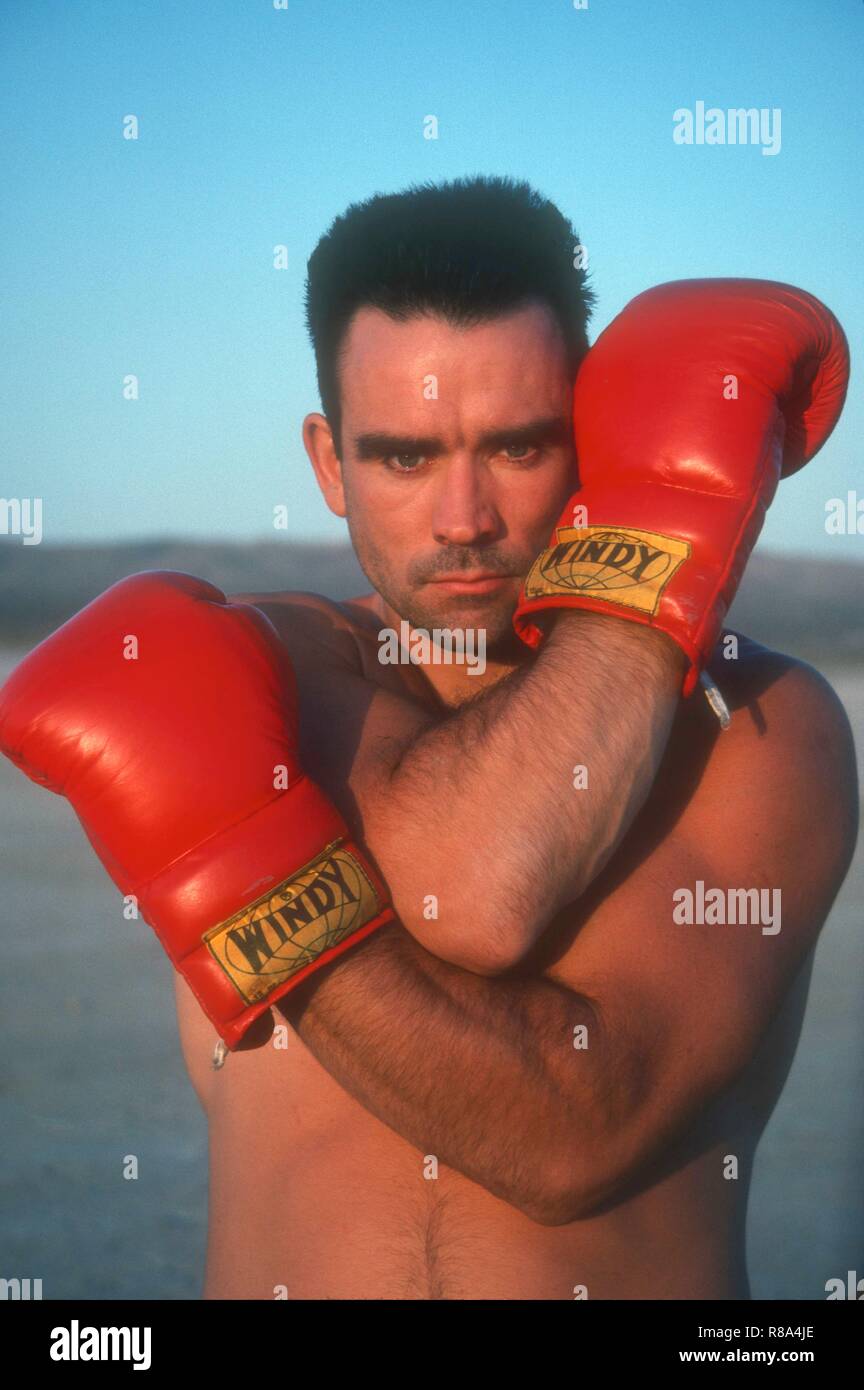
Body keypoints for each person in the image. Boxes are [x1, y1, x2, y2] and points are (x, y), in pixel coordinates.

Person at [1, 177, 857, 1300]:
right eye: (404, 455)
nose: (465, 518)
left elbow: (565, 1122)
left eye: (518, 446)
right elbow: (474, 877)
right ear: (329, 464)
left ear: (595, 438)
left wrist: (238, 883)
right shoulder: (268, 669)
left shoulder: (753, 724)